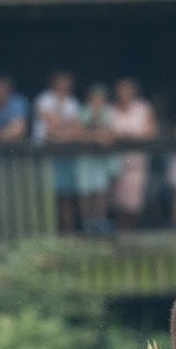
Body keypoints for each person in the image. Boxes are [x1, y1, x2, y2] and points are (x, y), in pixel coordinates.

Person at [34, 71, 83, 233]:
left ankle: (68, 233)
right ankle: (45, 233)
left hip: (65, 156)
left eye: (66, 81)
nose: (63, 85)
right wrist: (67, 130)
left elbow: (77, 129)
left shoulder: (73, 103)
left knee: (66, 197)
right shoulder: (43, 100)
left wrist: (63, 132)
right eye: (60, 81)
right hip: (46, 156)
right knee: (46, 197)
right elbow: (51, 128)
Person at [108, 77, 157, 229]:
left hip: (137, 161)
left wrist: (132, 137)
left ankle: (133, 233)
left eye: (128, 88)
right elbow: (107, 133)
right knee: (118, 200)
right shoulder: (110, 110)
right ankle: (121, 232)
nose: (124, 92)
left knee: (135, 201)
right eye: (122, 89)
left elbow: (151, 131)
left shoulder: (143, 108)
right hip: (116, 161)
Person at [75, 83, 118, 234]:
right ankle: (87, 225)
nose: (98, 101)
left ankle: (100, 222)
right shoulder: (83, 112)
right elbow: (77, 133)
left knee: (101, 191)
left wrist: (100, 135)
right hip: (85, 161)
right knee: (85, 193)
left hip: (101, 161)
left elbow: (111, 135)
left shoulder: (110, 112)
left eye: (101, 98)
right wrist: (96, 136)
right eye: (95, 98)